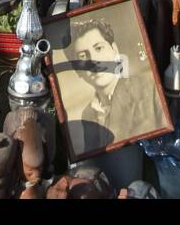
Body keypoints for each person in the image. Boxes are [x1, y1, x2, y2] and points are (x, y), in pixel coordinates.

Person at [67, 16, 165, 157]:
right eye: (83, 56)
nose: (94, 61)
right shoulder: (87, 114)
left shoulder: (149, 86)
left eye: (99, 48)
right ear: (77, 69)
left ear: (115, 50)